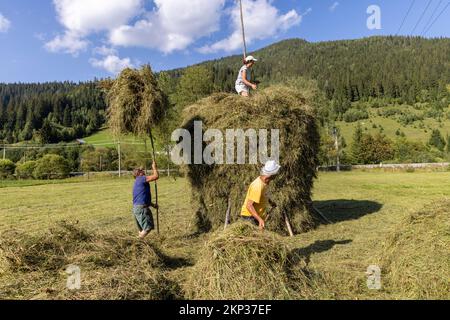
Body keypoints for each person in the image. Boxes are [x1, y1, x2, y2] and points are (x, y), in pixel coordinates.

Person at [240, 160, 281, 230]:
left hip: (255, 216)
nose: (277, 175)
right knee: (253, 240)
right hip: (249, 217)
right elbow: (249, 205)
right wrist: (259, 219)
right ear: (271, 175)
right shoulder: (258, 186)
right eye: (276, 174)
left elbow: (263, 194)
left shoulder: (265, 183)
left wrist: (271, 202)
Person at [132, 161, 159, 239]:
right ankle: (136, 242)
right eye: (141, 170)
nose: (143, 171)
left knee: (141, 230)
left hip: (136, 208)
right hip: (141, 209)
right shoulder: (141, 179)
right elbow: (156, 176)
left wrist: (153, 205)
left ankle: (140, 246)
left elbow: (142, 198)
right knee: (148, 227)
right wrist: (154, 167)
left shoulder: (137, 182)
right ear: (138, 174)